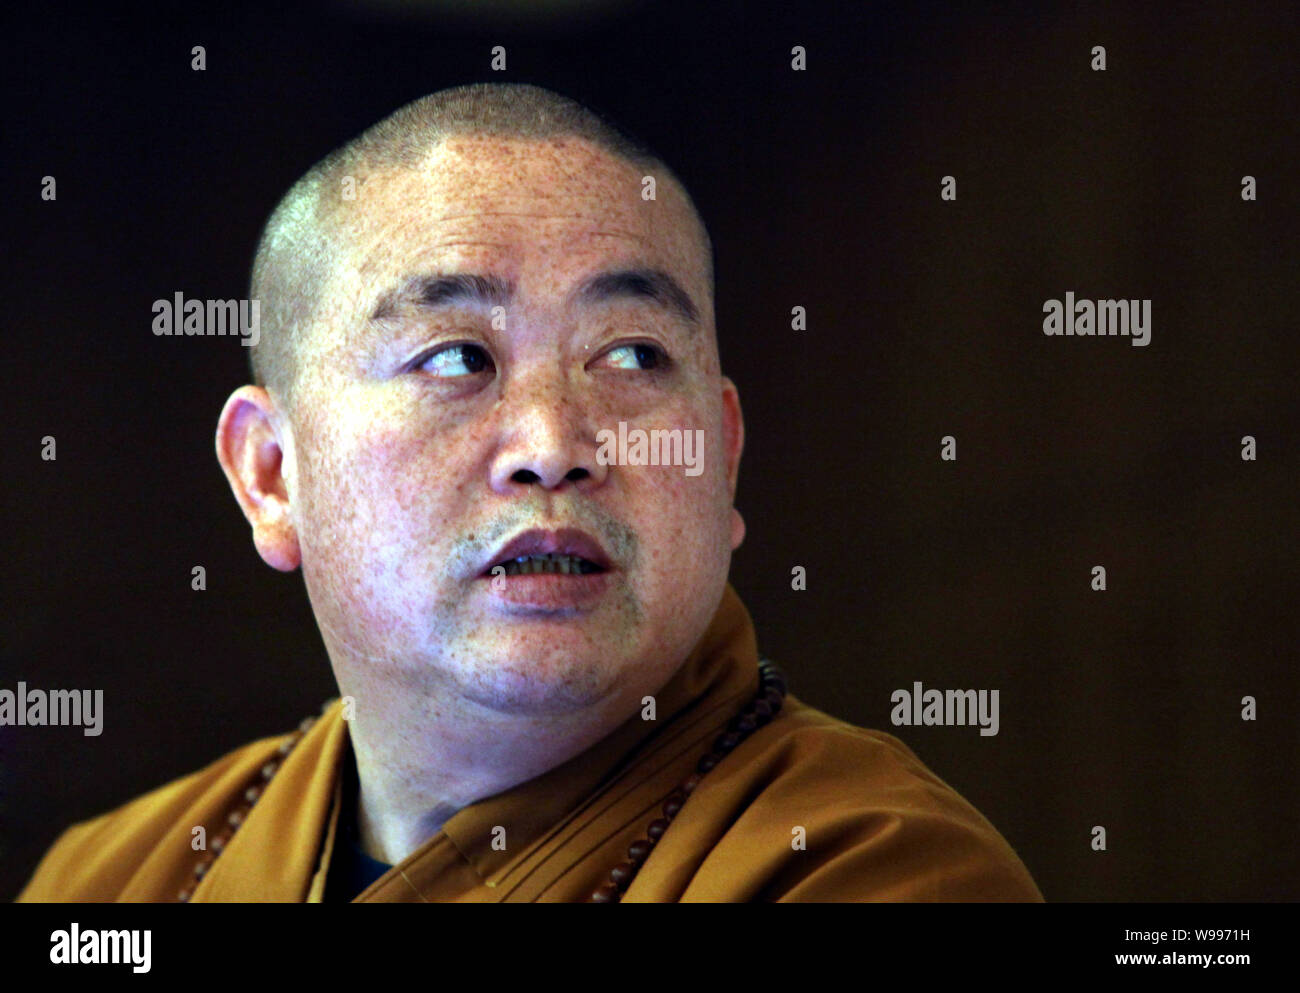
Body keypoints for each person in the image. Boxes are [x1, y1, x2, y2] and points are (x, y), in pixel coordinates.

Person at [18, 83, 1042, 902]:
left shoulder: (864, 866)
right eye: (457, 357)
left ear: (722, 458)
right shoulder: (114, 879)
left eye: (634, 355)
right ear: (271, 475)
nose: (554, 448)